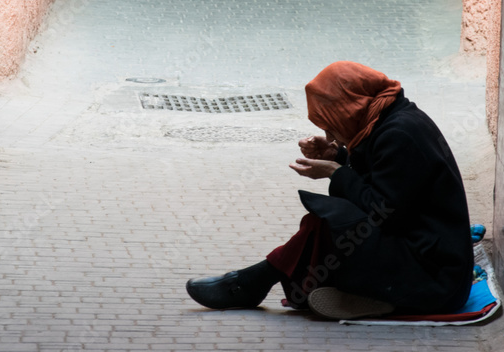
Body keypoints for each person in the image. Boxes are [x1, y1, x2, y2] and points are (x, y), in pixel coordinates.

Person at [185, 61, 474, 320]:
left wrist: (336, 174)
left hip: (435, 279)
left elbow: (385, 212)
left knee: (331, 220)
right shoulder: (390, 120)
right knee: (326, 220)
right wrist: (337, 156)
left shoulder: (399, 134)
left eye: (331, 125)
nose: (330, 135)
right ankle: (255, 281)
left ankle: (253, 282)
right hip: (421, 257)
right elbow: (382, 183)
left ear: (350, 108)